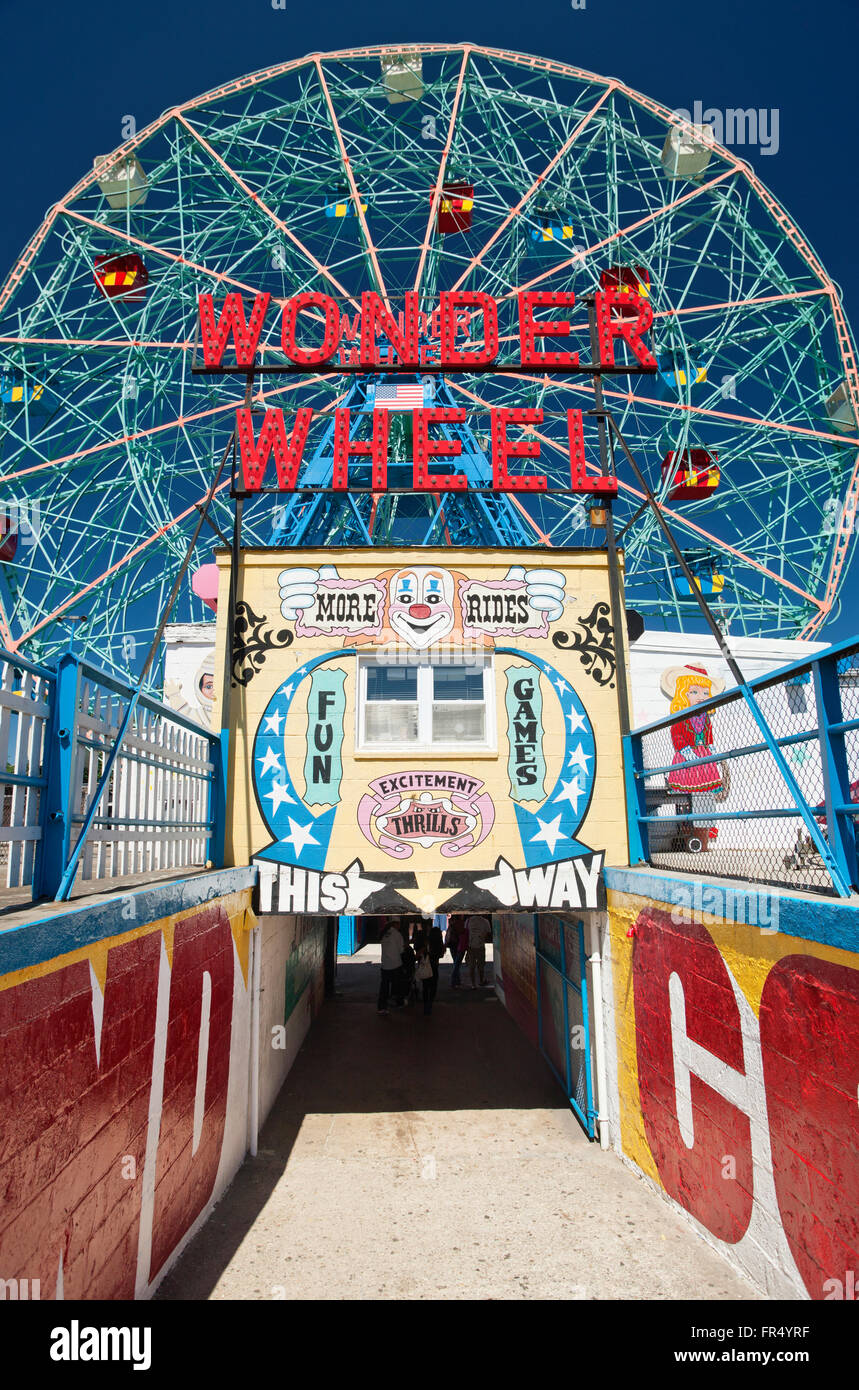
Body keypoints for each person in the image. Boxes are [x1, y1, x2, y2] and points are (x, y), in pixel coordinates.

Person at [413, 916, 445, 1014]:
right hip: (434, 964)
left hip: (424, 963)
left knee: (426, 986)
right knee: (433, 985)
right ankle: (429, 1003)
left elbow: (416, 950)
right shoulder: (436, 933)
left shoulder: (420, 935)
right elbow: (441, 953)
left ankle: (426, 1004)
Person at [378, 920, 405, 1014]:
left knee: (384, 987)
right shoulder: (397, 935)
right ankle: (399, 1003)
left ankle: (382, 1007)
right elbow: (401, 950)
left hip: (385, 964)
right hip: (395, 964)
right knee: (398, 986)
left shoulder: (384, 933)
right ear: (396, 924)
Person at [465, 914, 492, 988]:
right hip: (480, 946)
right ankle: (481, 980)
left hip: (470, 947)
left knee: (471, 966)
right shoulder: (485, 921)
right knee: (481, 965)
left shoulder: (468, 921)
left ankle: (473, 984)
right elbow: (488, 933)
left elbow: (466, 932)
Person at [446, 915, 469, 989]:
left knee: (456, 963)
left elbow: (448, 935)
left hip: (452, 945)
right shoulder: (462, 924)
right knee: (457, 964)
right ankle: (453, 982)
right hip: (460, 946)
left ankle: (457, 981)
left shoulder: (451, 924)